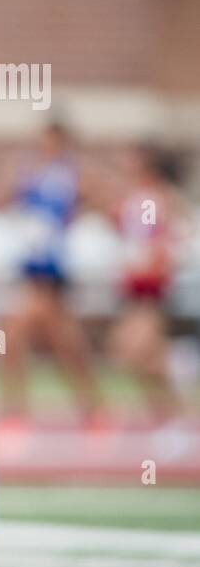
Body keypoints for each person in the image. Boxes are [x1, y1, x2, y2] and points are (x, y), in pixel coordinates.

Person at [0, 121, 107, 427]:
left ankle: (19, 409)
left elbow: (107, 200)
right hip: (30, 267)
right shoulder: (26, 169)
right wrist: (15, 191)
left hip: (52, 271)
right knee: (48, 337)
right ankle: (87, 407)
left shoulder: (75, 173)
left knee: (34, 335)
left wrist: (78, 212)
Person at [101, 143, 193, 425]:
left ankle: (182, 369)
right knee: (132, 356)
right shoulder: (131, 196)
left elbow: (177, 236)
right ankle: (165, 416)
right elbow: (121, 227)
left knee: (133, 351)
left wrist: (161, 258)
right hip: (132, 287)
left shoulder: (161, 197)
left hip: (151, 290)